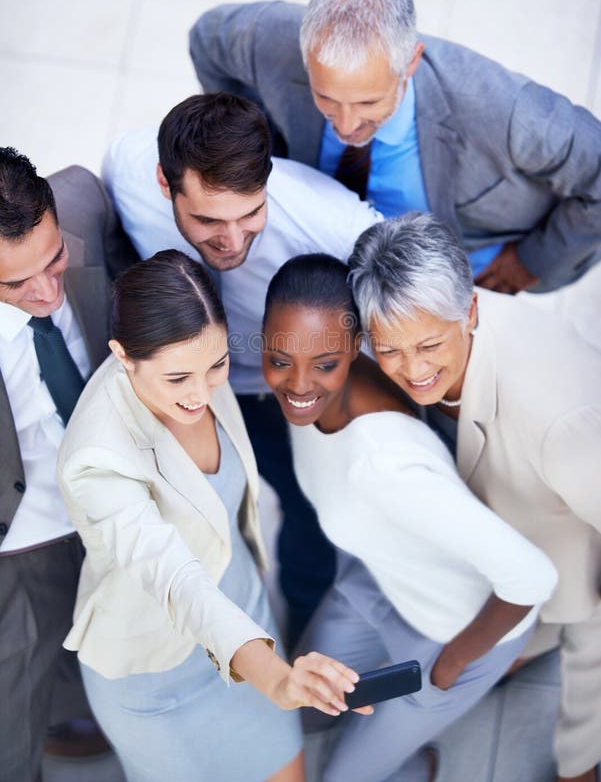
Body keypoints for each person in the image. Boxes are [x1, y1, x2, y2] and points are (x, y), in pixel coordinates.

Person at [57, 249, 368, 782]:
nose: (202, 393)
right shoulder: (96, 458)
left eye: (217, 365)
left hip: (244, 614)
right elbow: (177, 578)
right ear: (122, 356)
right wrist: (274, 678)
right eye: (178, 379)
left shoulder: (195, 360)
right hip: (156, 675)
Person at [261, 253, 557, 782]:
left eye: (324, 364)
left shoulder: (388, 465)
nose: (299, 385)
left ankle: (413, 760)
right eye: (281, 359)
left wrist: (451, 666)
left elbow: (532, 578)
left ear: (354, 350)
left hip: (451, 626)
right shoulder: (308, 400)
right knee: (293, 709)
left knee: (344, 777)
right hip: (375, 582)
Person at [102, 91, 381, 643]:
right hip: (189, 384)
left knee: (311, 510)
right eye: (207, 220)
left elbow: (404, 294)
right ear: (164, 182)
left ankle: (303, 625)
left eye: (251, 214)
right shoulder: (127, 168)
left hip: (277, 391)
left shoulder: (333, 220)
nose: (232, 241)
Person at [348, 212, 601, 782]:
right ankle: (526, 645)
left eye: (429, 345)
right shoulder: (425, 331)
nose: (411, 370)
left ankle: (579, 766)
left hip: (579, 536)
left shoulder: (560, 423)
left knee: (589, 639)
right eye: (388, 349)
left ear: (472, 311)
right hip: (519, 508)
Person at [189, 0, 601, 294]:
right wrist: (255, 146)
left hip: (475, 266)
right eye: (326, 98)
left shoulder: (509, 113)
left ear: (411, 63)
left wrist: (532, 261)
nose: (347, 126)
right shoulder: (267, 37)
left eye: (369, 103)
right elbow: (206, 39)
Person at [0, 147, 136, 782]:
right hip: (20, 530)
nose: (48, 292)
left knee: (118, 622)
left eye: (55, 261)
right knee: (14, 694)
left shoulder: (83, 194)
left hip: (112, 484)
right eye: (16, 284)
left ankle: (84, 713)